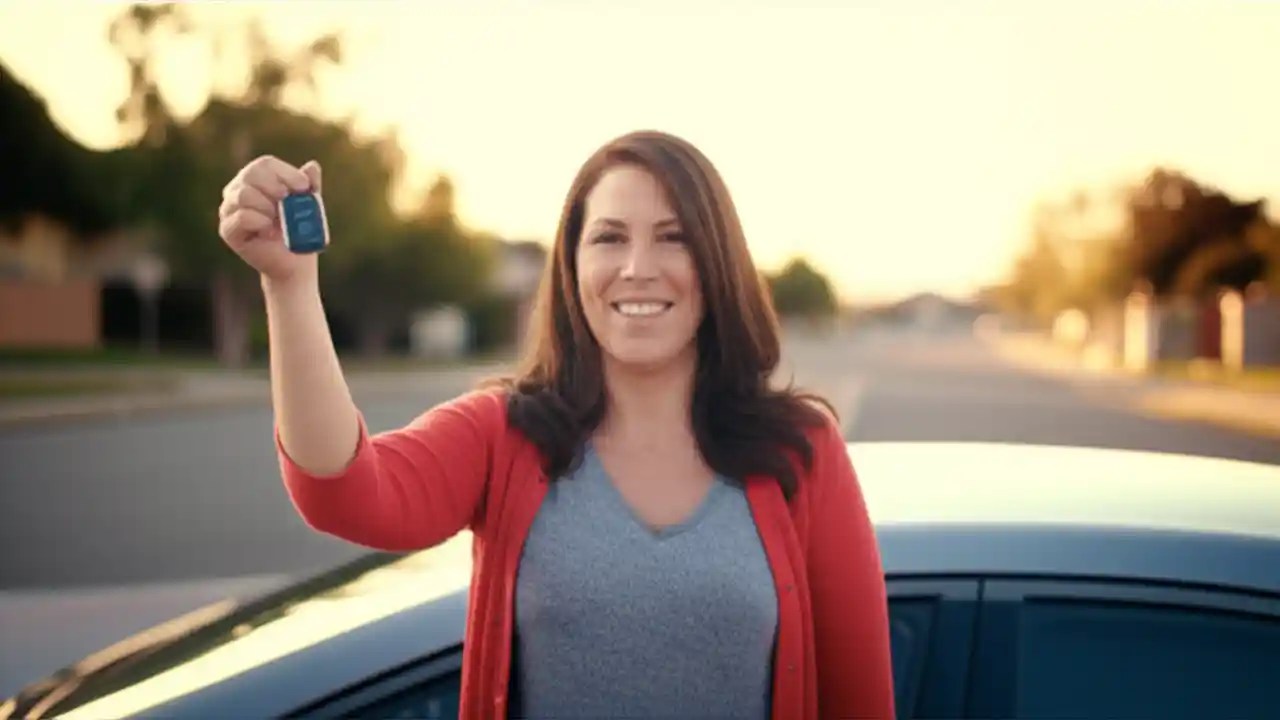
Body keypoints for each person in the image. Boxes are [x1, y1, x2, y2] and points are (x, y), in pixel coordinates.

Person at [217, 130, 895, 719]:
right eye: (608, 238)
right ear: (571, 267)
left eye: (674, 238)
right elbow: (344, 491)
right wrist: (290, 284)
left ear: (718, 266)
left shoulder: (802, 451)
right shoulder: (504, 434)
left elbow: (860, 701)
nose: (636, 269)